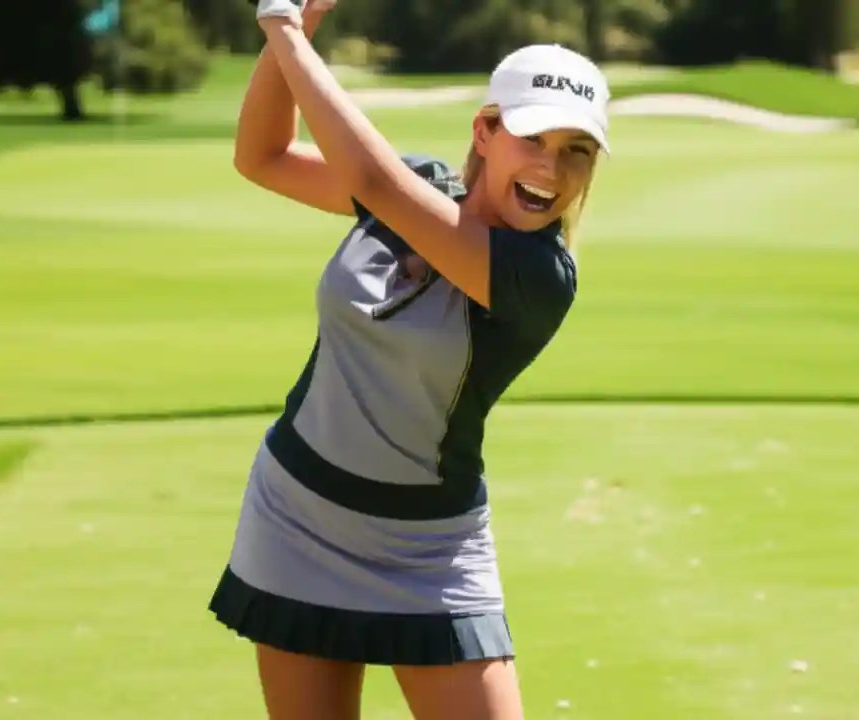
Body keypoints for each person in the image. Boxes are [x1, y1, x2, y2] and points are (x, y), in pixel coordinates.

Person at [210, 1, 611, 718]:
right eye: (532, 137)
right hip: (296, 512)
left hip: (431, 551)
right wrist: (295, 22)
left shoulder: (537, 277)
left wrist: (280, 25)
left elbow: (373, 181)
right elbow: (261, 157)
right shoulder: (420, 183)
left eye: (576, 150)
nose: (551, 168)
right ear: (486, 131)